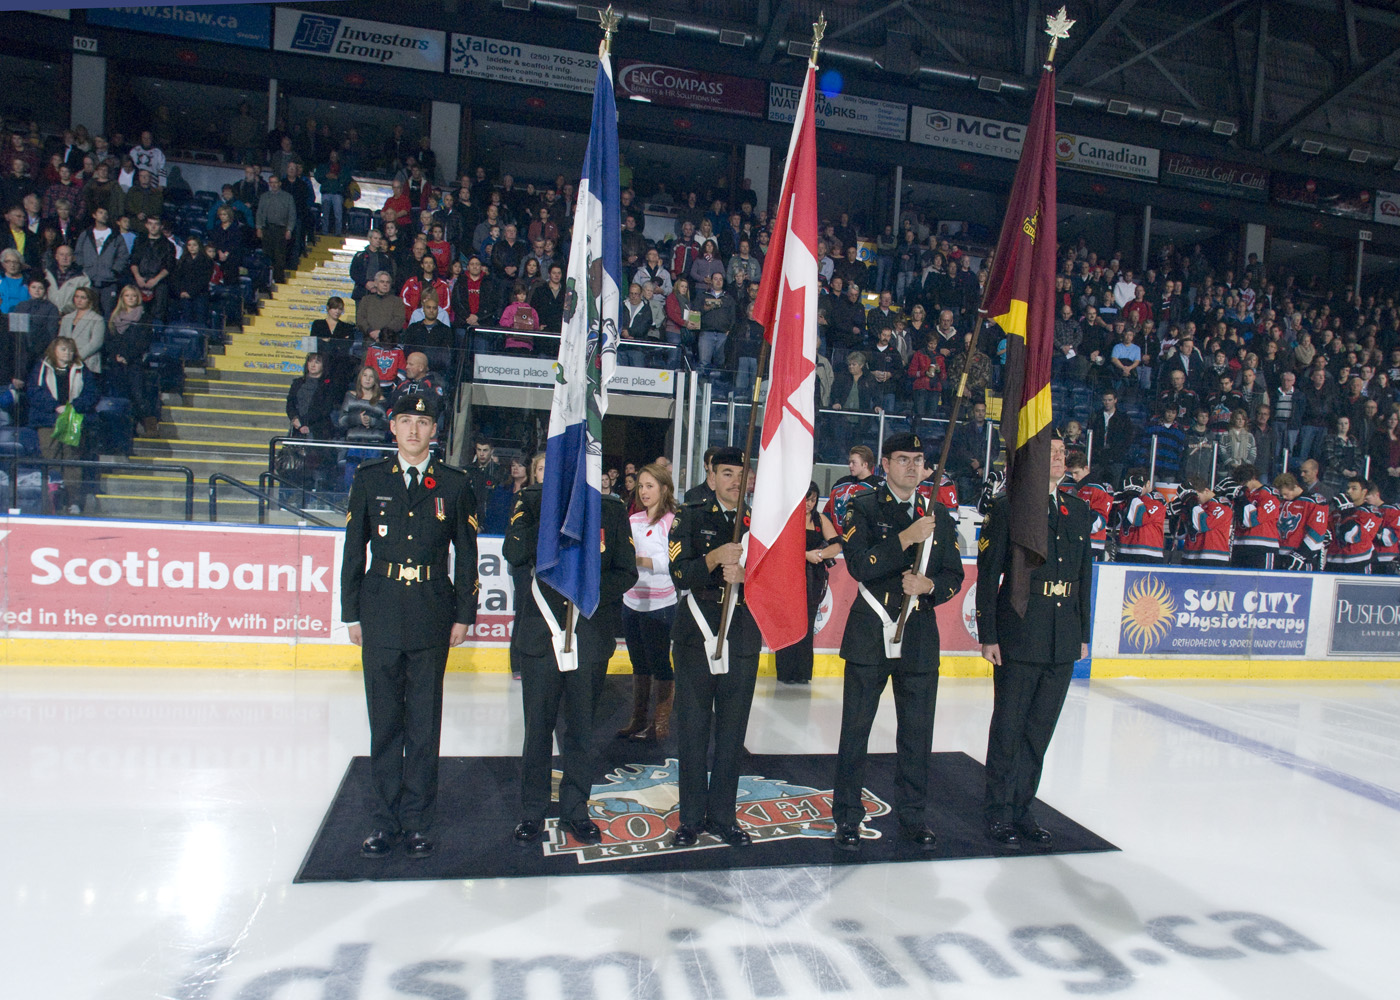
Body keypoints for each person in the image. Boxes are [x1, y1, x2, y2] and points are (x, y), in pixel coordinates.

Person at [341, 392, 478, 859]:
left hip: (430, 611)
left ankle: (418, 819)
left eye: (423, 421)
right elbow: (352, 551)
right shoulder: (369, 479)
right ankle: (384, 819)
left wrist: (464, 614)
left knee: (423, 723)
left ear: (434, 430)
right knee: (385, 723)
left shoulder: (455, 484)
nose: (414, 429)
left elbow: (467, 556)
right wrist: (351, 613)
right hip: (379, 611)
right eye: (406, 420)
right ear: (393, 428)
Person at [830, 433, 962, 851]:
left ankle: (913, 817)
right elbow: (858, 565)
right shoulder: (862, 508)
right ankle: (847, 818)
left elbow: (954, 577)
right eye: (902, 459)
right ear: (885, 464)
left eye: (918, 460)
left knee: (917, 735)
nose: (911, 467)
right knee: (856, 731)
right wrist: (905, 538)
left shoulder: (939, 514)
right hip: (871, 632)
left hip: (920, 637)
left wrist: (929, 586)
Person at [503, 454, 636, 847]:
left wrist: (589, 591)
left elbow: (625, 572)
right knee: (538, 730)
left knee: (581, 730)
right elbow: (514, 553)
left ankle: (576, 808)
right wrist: (553, 524)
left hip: (589, 638)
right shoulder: (531, 502)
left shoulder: (609, 509)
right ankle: (532, 810)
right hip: (540, 636)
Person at [977, 434, 1092, 848]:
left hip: (1062, 638)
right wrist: (988, 632)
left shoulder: (1078, 510)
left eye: (1063, 454)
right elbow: (989, 575)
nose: (1060, 459)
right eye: (1051, 453)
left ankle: (1022, 808)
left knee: (1039, 730)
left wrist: (1082, 633)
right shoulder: (1010, 508)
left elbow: (1084, 575)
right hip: (1020, 633)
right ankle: (997, 812)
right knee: (1009, 728)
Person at [667, 447, 762, 848]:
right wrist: (713, 558)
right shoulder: (690, 515)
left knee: (731, 731)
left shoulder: (760, 525)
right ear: (711, 473)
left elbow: (778, 584)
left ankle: (724, 815)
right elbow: (678, 573)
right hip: (695, 636)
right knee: (692, 730)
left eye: (742, 473)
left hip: (741, 635)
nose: (735, 481)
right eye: (727, 473)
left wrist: (748, 575)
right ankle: (690, 818)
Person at [618, 463, 680, 741]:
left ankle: (661, 724)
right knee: (638, 664)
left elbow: (670, 563)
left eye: (649, 486)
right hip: (631, 602)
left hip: (661, 605)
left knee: (660, 664)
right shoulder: (632, 521)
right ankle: (638, 719)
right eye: (641, 486)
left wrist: (638, 560)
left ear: (664, 489)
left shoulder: (673, 522)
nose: (643, 491)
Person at [774, 482, 841, 685]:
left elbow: (837, 544)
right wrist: (804, 555)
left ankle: (803, 672)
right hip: (789, 575)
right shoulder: (787, 518)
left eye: (813, 500)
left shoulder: (820, 519)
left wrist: (819, 554)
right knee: (788, 622)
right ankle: (786, 671)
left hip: (814, 577)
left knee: (808, 622)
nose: (810, 504)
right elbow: (778, 547)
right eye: (807, 499)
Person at [28, 336, 96, 515]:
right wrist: (54, 407)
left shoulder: (82, 369)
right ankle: (53, 501)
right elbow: (34, 392)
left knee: (72, 459)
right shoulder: (42, 366)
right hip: (48, 419)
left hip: (72, 419)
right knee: (51, 458)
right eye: (63, 349)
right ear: (55, 350)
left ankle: (73, 502)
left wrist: (74, 407)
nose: (68, 353)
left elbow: (91, 393)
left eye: (70, 350)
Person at [105, 285, 155, 436]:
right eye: (127, 296)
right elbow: (109, 340)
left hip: (134, 363)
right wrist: (116, 356)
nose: (131, 299)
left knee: (137, 395)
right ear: (122, 298)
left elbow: (143, 342)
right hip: (116, 363)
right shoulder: (115, 317)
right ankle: (126, 430)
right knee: (121, 396)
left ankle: (147, 426)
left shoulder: (144, 317)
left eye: (134, 296)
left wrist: (127, 356)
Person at [1230, 464, 1280, 569]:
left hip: (1263, 546)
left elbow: (1252, 520)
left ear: (1253, 477)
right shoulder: (1243, 493)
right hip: (1240, 545)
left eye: (1245, 482)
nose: (1243, 485)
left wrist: (1242, 498)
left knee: (1264, 583)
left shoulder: (1269, 494)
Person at [255, 175, 296, 284]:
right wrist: (259, 227)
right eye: (271, 182)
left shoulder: (288, 197)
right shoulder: (264, 197)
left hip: (281, 230)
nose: (273, 185)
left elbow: (292, 215)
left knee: (279, 257)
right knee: (267, 256)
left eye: (275, 182)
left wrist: (289, 230)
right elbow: (259, 213)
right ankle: (265, 282)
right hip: (267, 229)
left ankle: (278, 280)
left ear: (279, 183)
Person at [337, 365, 389, 443]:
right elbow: (341, 421)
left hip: (375, 444)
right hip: (353, 443)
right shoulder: (350, 396)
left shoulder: (382, 401)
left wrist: (371, 421)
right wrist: (358, 419)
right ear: (360, 378)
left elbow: (387, 425)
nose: (367, 379)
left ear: (375, 380)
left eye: (371, 376)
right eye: (365, 375)